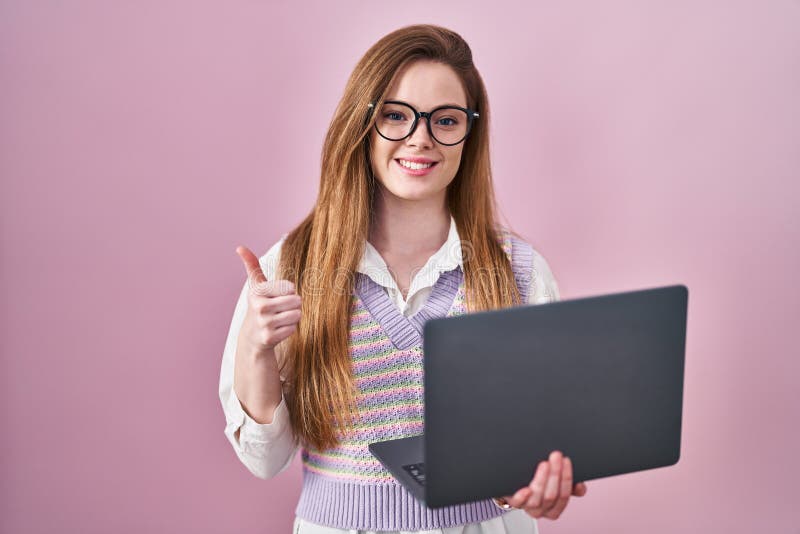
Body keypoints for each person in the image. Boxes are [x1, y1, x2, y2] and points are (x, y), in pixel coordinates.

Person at [219, 24, 588, 533]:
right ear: (363, 125)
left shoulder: (520, 273)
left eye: (446, 120)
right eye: (396, 115)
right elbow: (264, 460)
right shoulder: (291, 266)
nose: (420, 138)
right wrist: (255, 350)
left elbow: (534, 446)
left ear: (470, 133)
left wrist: (534, 487)